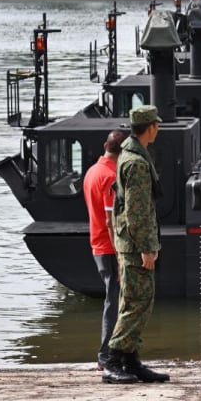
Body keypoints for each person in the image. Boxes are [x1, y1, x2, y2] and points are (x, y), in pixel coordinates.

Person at [103, 105, 168, 385]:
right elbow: (136, 211)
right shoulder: (137, 163)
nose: (158, 129)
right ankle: (113, 360)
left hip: (130, 242)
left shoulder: (129, 153)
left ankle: (130, 361)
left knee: (135, 301)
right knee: (137, 302)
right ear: (150, 128)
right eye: (157, 125)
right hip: (135, 246)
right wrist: (146, 248)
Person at [84, 129, 127, 372]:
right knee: (114, 301)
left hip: (97, 244)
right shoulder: (111, 177)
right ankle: (106, 354)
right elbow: (111, 221)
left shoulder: (92, 171)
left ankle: (114, 352)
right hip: (110, 247)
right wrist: (120, 257)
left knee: (114, 299)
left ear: (105, 146)